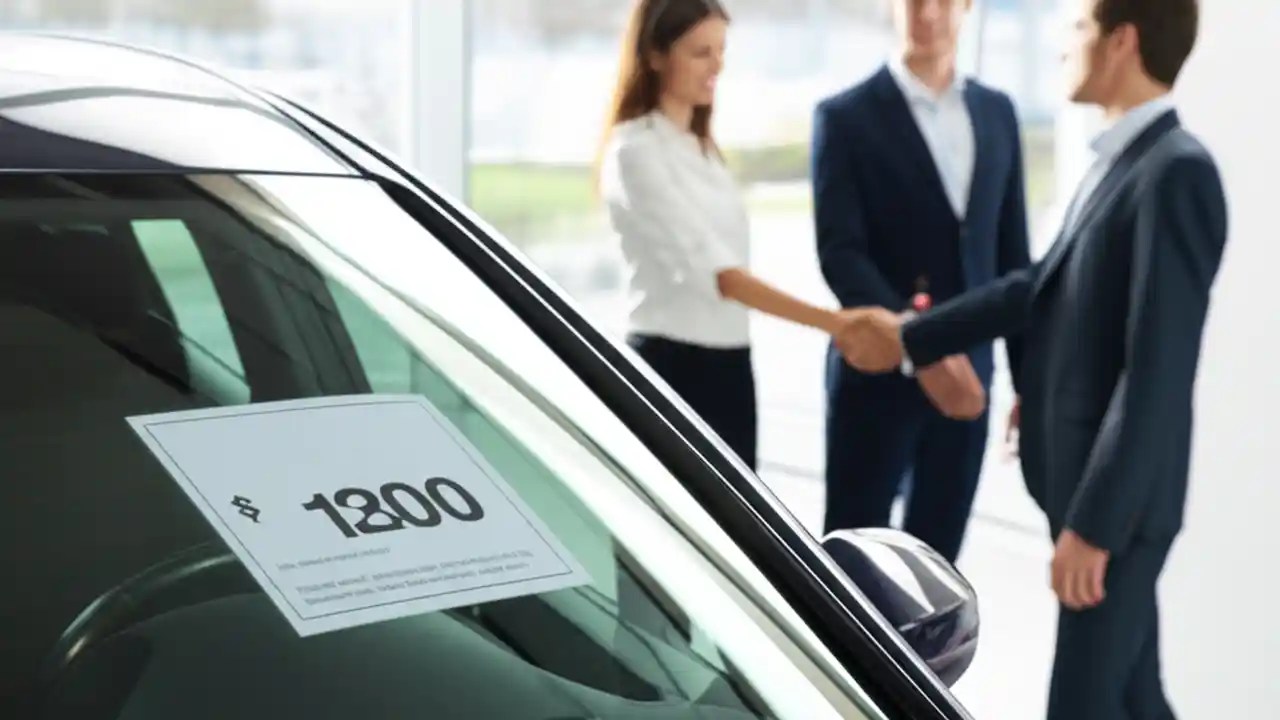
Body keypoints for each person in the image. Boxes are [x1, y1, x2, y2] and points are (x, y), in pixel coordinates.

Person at [841, 1, 1224, 717]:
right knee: (1137, 697)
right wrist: (911, 337)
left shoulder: (1176, 174)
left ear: (1121, 42)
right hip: (1094, 499)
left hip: (1116, 515)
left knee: (1080, 705)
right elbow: (1039, 289)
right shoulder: (1125, 161)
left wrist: (1095, 527)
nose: (1061, 49)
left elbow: (1157, 377)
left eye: (1077, 30)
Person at [595, 0, 958, 470]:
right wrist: (838, 323)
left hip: (730, 365)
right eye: (700, 52)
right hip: (671, 366)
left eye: (721, 50)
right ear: (655, 55)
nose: (717, 65)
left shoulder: (701, 149)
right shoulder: (635, 152)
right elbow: (722, 277)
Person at [810, 0, 1031, 563]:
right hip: (874, 377)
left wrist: (1030, 380)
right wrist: (920, 347)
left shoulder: (998, 113)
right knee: (851, 568)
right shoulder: (844, 117)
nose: (927, 13)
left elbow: (1013, 265)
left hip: (970, 383)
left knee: (938, 570)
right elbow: (842, 254)